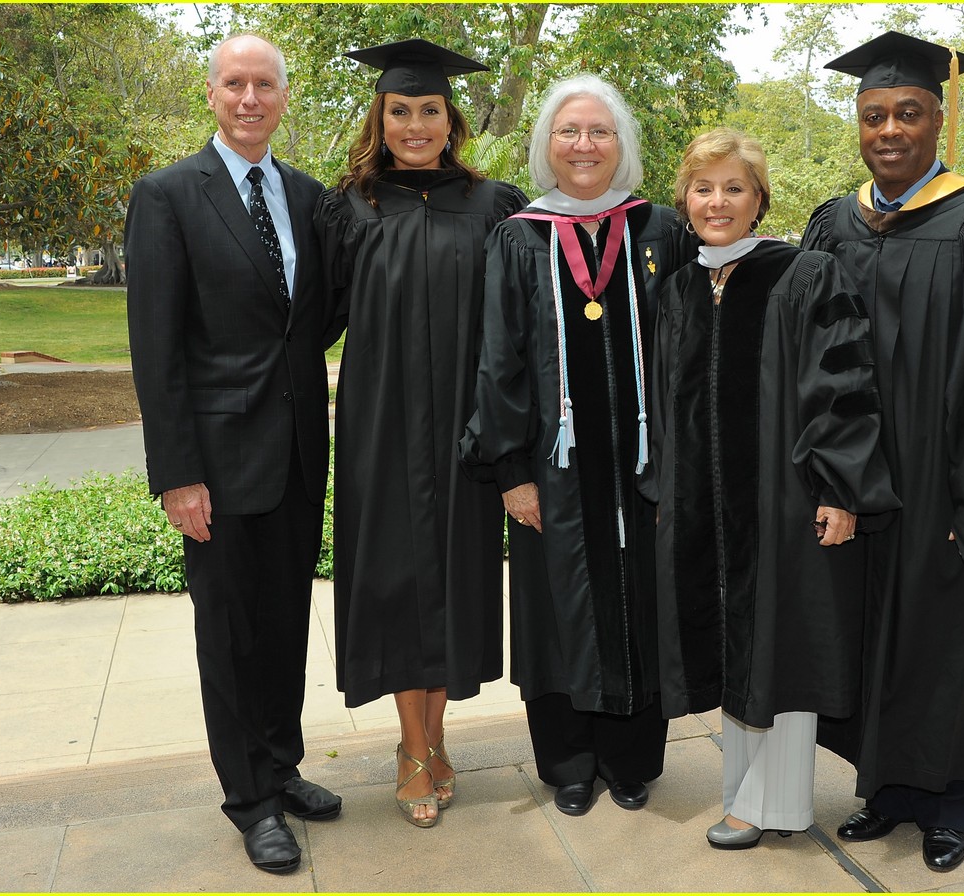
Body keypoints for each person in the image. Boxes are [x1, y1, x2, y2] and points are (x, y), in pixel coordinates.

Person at [800, 31, 964, 872]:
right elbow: (804, 363)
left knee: (950, 647)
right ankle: (884, 791)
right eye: (873, 114)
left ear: (938, 121)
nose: (888, 129)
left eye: (907, 113)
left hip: (948, 491)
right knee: (872, 640)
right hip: (857, 486)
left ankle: (949, 805)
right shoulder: (832, 222)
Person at [125, 34, 341, 874]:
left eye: (266, 85)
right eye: (235, 84)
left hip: (294, 453)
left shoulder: (309, 196)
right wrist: (178, 472)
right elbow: (156, 346)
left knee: (285, 623)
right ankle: (249, 799)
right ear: (211, 93)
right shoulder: (169, 196)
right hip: (214, 463)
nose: (251, 98)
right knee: (229, 630)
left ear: (284, 97)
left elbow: (312, 320)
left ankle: (282, 767)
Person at [652, 128, 898, 849]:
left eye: (735, 188)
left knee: (783, 645)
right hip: (707, 508)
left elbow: (846, 388)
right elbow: (667, 405)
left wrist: (841, 490)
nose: (718, 201)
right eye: (704, 188)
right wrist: (667, 485)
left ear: (760, 200)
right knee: (736, 649)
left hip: (787, 501)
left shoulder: (804, 275)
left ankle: (773, 801)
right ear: (684, 200)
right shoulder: (680, 288)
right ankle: (744, 794)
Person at [462, 75, 693, 817]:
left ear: (620, 145)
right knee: (556, 607)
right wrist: (510, 471)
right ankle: (566, 763)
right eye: (569, 132)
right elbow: (498, 358)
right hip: (552, 473)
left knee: (638, 604)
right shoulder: (519, 235)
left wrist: (680, 468)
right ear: (547, 147)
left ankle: (630, 761)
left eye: (599, 131)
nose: (584, 144)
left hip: (642, 467)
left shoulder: (660, 230)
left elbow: (690, 358)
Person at [314, 38, 526, 829]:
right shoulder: (349, 206)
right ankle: (411, 748)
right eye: (399, 110)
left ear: (452, 119)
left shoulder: (494, 206)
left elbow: (519, 320)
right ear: (381, 117)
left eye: (428, 110)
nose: (414, 124)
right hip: (381, 427)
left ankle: (438, 738)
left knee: (455, 581)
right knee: (399, 584)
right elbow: (313, 321)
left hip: (468, 431)